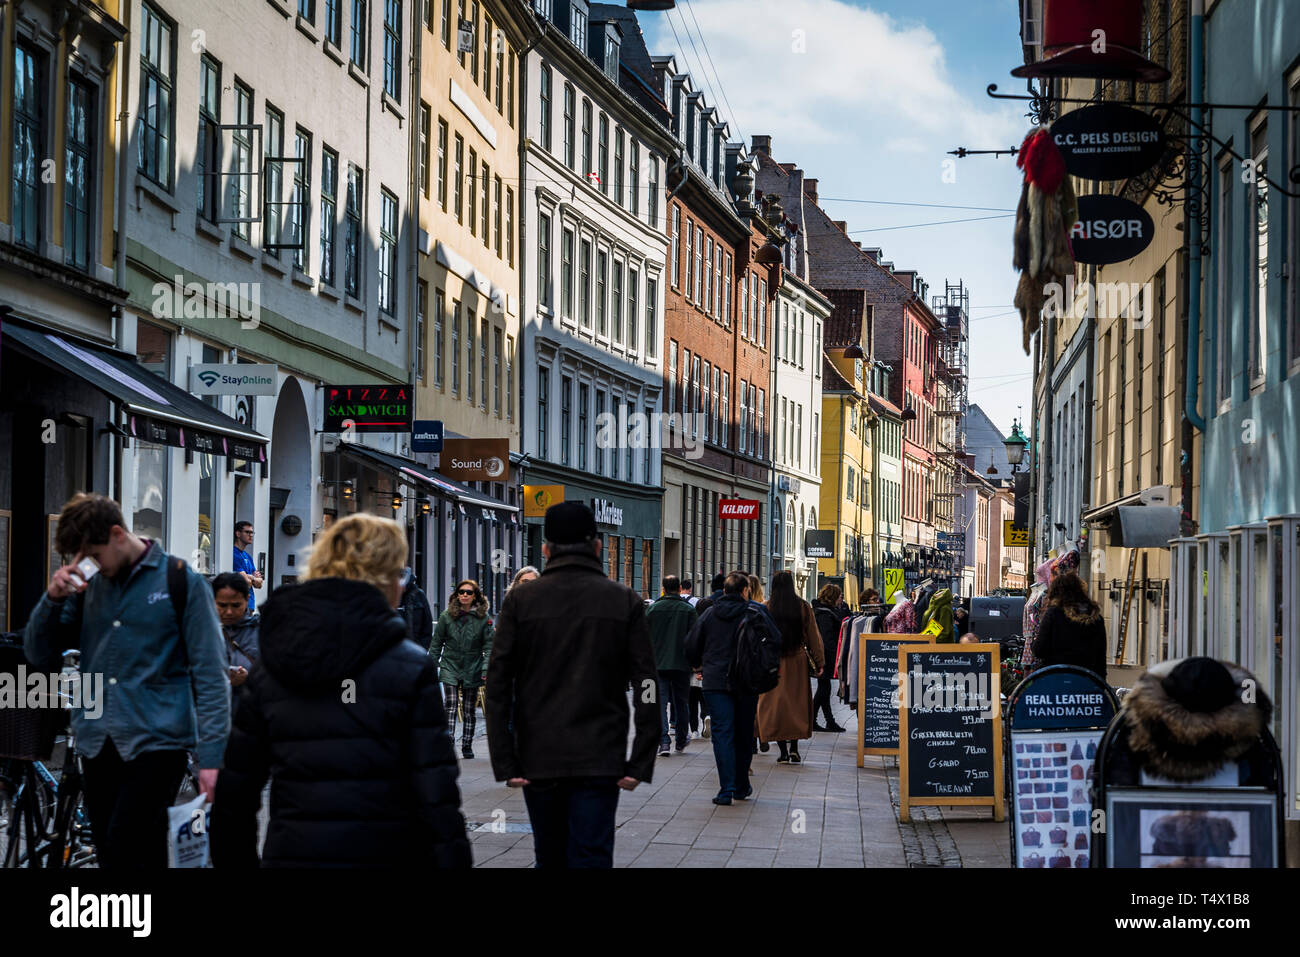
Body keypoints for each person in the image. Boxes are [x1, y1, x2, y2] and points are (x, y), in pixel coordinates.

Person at [211, 513, 470, 868]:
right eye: (398, 573)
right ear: (384, 580)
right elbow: (436, 794)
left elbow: (236, 794)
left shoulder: (276, 661)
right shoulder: (409, 667)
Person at [24, 493, 229, 869]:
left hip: (158, 742)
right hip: (98, 741)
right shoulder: (89, 588)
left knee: (124, 846)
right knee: (125, 850)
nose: (92, 566)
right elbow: (38, 654)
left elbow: (211, 676)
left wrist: (211, 759)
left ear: (118, 534)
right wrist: (52, 599)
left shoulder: (181, 580)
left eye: (95, 556)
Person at [485, 502, 658, 868]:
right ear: (597, 547)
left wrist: (505, 758)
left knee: (549, 855)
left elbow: (499, 681)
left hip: (539, 755)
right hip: (600, 755)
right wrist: (640, 758)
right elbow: (646, 684)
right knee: (592, 854)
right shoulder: (623, 600)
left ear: (546, 550)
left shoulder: (521, 600)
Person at [685, 571, 775, 805]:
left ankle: (726, 789)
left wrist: (698, 664)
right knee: (744, 732)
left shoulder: (710, 614)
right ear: (745, 591)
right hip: (746, 681)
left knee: (722, 733)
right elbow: (775, 641)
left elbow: (692, 644)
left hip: (715, 681)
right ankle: (741, 785)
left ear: (724, 591)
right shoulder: (756, 612)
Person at [757, 571, 825, 764]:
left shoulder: (767, 607)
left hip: (773, 662)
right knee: (797, 705)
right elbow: (813, 636)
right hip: (798, 661)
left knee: (775, 705)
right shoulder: (803, 607)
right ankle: (794, 748)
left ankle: (782, 752)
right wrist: (819, 662)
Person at [429, 579, 494, 760]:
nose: (464, 595)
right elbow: (436, 644)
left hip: (472, 665)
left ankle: (467, 744)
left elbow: (489, 647)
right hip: (450, 663)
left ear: (475, 596)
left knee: (468, 708)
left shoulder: (484, 619)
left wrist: (485, 669)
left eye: (469, 592)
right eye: (461, 591)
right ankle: (448, 743)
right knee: (450, 704)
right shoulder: (446, 616)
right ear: (456, 594)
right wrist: (430, 665)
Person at [646, 575, 698, 756]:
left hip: (657, 665)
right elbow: (695, 639)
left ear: (664, 588)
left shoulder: (652, 609)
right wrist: (696, 663)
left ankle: (664, 742)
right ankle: (681, 739)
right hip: (682, 665)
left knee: (659, 704)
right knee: (681, 702)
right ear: (678, 588)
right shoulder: (688, 610)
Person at [1032, 572, 1107, 677]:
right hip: (1087, 680)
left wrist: (1033, 644)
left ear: (1055, 593)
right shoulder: (1096, 618)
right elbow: (1101, 659)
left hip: (1056, 678)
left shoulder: (1054, 614)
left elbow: (1039, 650)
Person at [212, 572, 260, 693]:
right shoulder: (202, 634)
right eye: (222, 605)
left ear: (247, 600)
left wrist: (248, 678)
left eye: (236, 605)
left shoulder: (261, 633)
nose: (229, 612)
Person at [811, 584, 848, 732]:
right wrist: (835, 656)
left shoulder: (824, 611)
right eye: (839, 597)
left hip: (825, 655)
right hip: (826, 656)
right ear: (833, 598)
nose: (841, 600)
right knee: (824, 689)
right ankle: (813, 719)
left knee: (824, 688)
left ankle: (827, 721)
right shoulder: (824, 614)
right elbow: (827, 639)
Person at [399, 567, 435, 649]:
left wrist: (422, 649)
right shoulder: (388, 595)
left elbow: (427, 626)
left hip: (415, 649)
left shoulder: (419, 595)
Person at [232, 520, 263, 614]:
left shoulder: (247, 556)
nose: (251, 535)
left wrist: (251, 578)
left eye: (252, 532)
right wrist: (253, 578)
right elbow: (246, 582)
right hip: (239, 605)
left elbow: (259, 584)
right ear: (238, 533)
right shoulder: (233, 554)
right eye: (247, 532)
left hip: (249, 605)